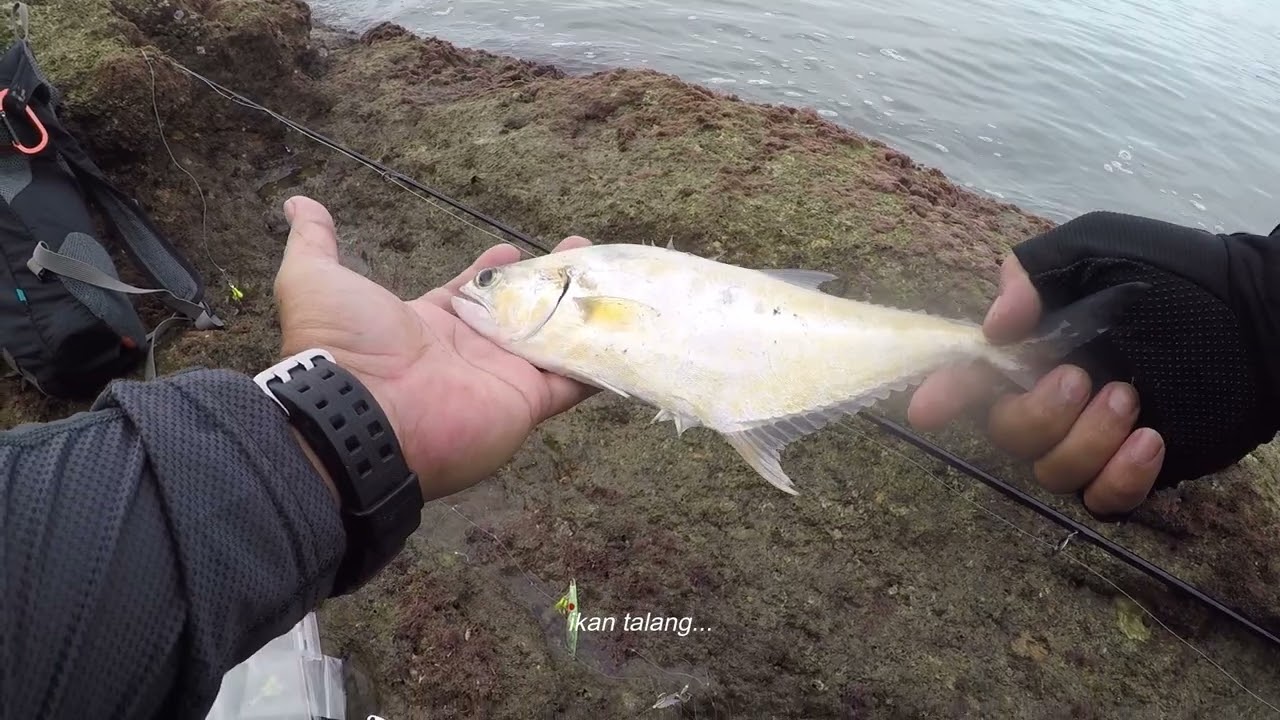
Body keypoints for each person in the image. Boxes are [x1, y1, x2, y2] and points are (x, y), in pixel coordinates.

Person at [0, 195, 1275, 719]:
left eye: (503, 298)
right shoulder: (569, 292)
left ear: (558, 295)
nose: (483, 305)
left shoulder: (580, 288)